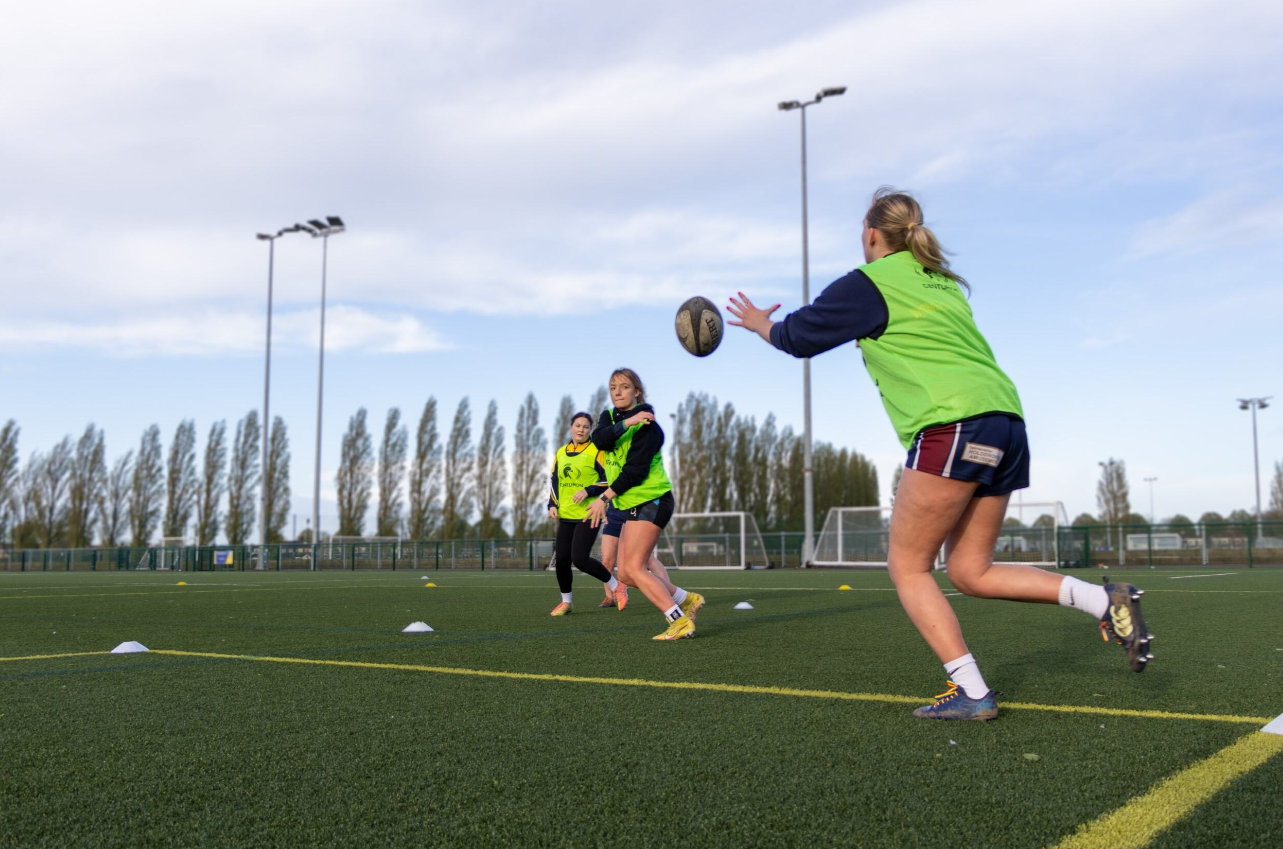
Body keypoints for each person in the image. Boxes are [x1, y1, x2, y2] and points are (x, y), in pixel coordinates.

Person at [726, 187, 1152, 720]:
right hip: (1006, 423)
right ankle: (1103, 599)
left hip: (952, 425)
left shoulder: (871, 283)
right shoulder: (945, 285)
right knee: (971, 571)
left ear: (872, 233)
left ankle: (973, 692)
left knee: (907, 566)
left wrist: (759, 323)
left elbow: (798, 338)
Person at [587, 368, 704, 639]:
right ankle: (686, 599)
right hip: (632, 504)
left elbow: (635, 472)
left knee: (636, 568)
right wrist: (628, 423)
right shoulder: (609, 416)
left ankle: (679, 620)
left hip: (652, 499)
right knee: (626, 573)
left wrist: (604, 498)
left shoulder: (648, 426)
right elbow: (599, 439)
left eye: (624, 387)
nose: (617, 392)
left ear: (636, 391)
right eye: (613, 387)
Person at [546, 413, 625, 616]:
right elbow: (555, 480)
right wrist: (552, 504)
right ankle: (566, 602)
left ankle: (617, 587)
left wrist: (588, 491)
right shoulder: (561, 452)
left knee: (579, 559)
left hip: (589, 514)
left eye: (586, 427)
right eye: (578, 425)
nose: (581, 430)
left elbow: (608, 479)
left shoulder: (596, 450)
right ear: (571, 427)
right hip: (567, 514)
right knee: (562, 560)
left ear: (590, 430)